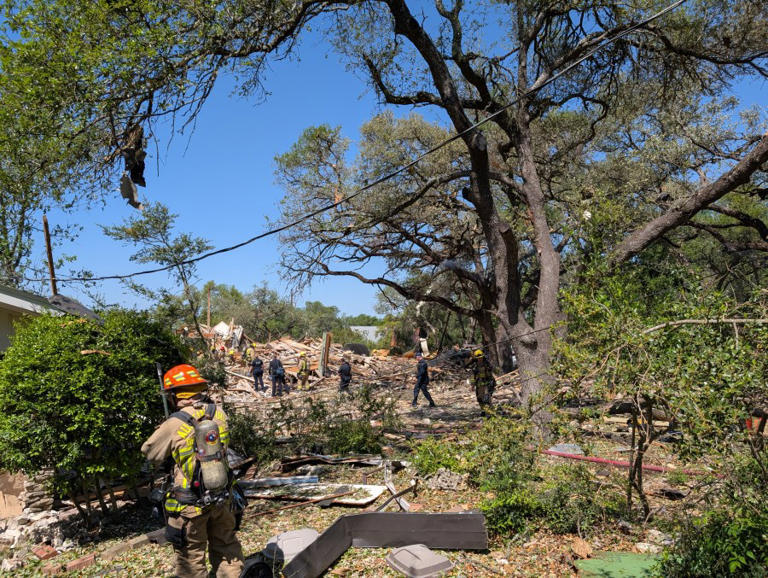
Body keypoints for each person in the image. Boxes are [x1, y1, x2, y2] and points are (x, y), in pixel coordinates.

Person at [141, 364, 244, 578]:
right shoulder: (219, 414)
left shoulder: (174, 423)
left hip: (190, 504)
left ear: (174, 395)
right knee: (227, 548)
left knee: (190, 558)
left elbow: (150, 453)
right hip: (222, 496)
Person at [468, 349, 496, 415]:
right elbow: (473, 376)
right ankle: (483, 410)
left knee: (486, 398)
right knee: (479, 398)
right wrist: (472, 385)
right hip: (479, 385)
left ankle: (490, 412)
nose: (480, 359)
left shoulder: (487, 364)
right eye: (478, 358)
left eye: (481, 358)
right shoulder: (475, 365)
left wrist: (492, 383)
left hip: (487, 383)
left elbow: (491, 373)